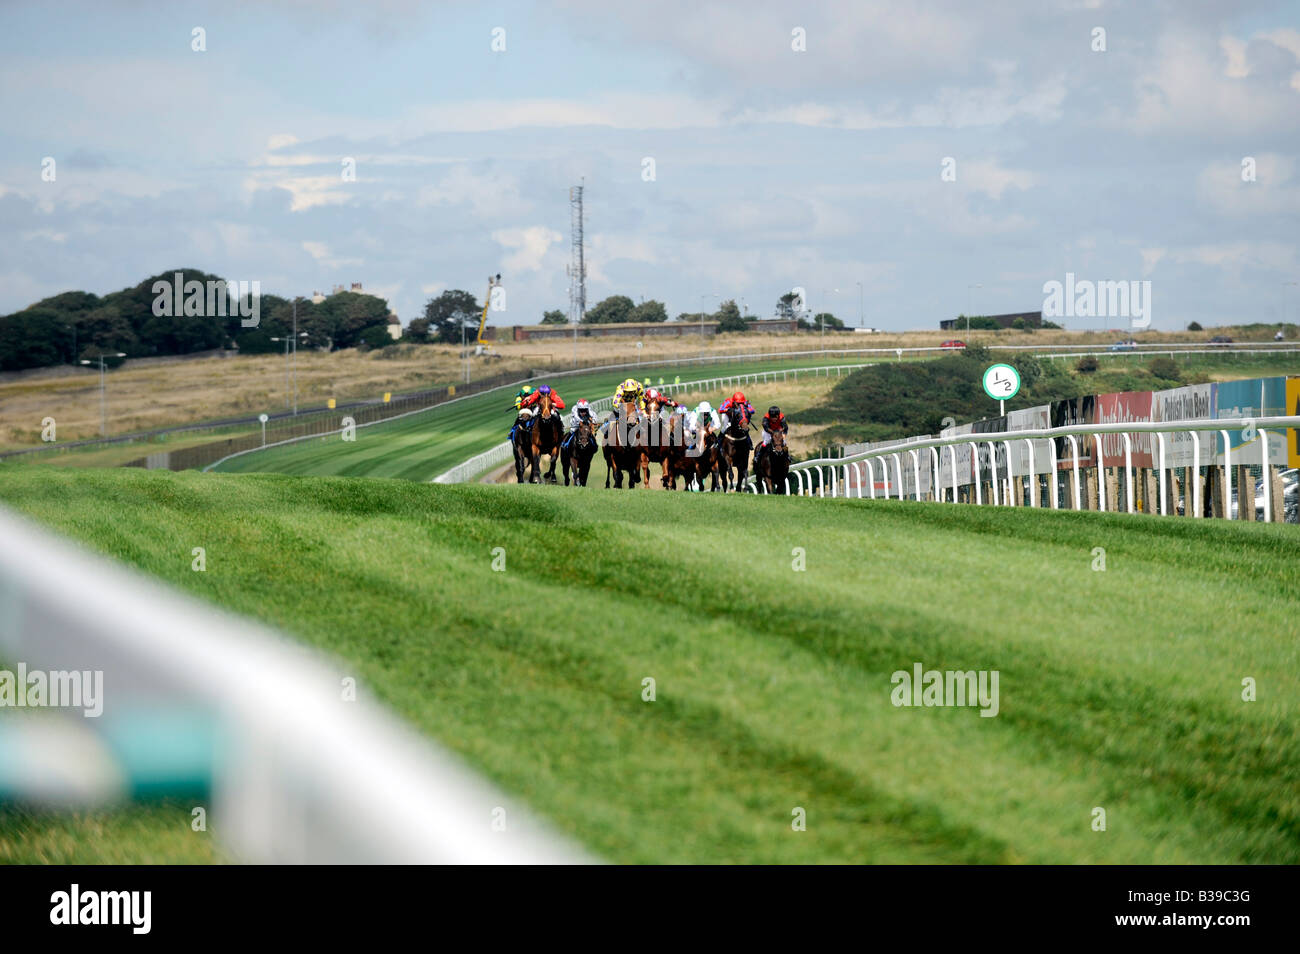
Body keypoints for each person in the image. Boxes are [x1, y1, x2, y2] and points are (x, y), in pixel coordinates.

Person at [754, 404, 788, 469]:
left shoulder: (782, 417)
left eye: (775, 417)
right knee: (766, 442)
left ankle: (787, 456)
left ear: (778, 415)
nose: (774, 418)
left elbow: (785, 427)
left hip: (778, 431)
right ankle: (758, 456)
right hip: (768, 431)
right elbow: (766, 428)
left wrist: (784, 435)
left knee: (784, 443)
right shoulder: (766, 418)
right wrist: (773, 434)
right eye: (772, 417)